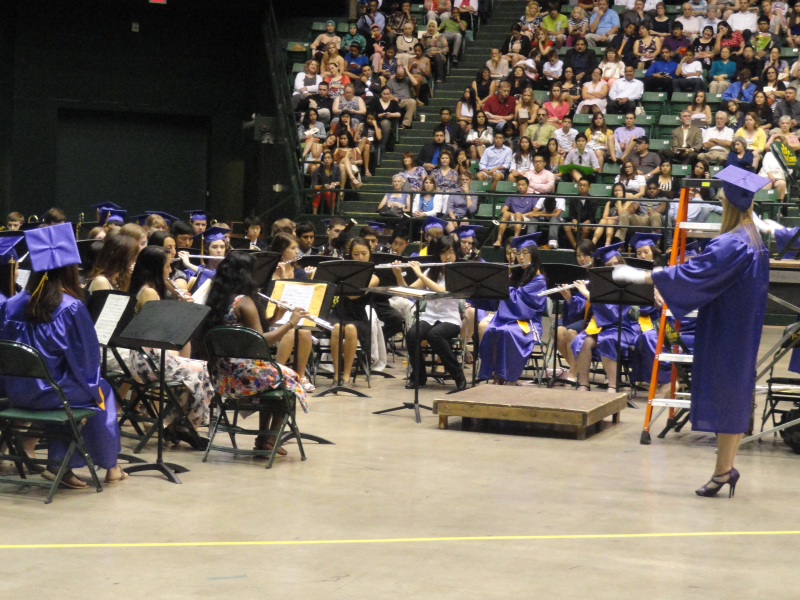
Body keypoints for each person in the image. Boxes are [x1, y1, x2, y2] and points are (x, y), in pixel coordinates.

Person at [613, 166, 769, 497]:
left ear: (726, 201)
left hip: (726, 331)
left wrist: (642, 276)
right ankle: (723, 470)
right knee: (734, 396)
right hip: (742, 329)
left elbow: (692, 273)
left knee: (726, 395)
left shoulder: (732, 243)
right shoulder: (753, 237)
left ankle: (724, 470)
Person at [203, 252, 309, 458]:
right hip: (244, 377)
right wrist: (290, 323)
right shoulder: (244, 302)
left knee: (275, 376)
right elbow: (261, 340)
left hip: (222, 375)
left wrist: (274, 317)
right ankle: (270, 438)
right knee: (291, 378)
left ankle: (263, 438)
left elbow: (244, 331)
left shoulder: (217, 299)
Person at [128, 246, 215, 447]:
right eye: (167, 266)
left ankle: (178, 424)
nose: (170, 271)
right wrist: (184, 310)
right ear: (156, 268)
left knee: (193, 372)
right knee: (200, 370)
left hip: (148, 356)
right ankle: (186, 425)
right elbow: (159, 333)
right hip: (149, 360)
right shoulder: (149, 292)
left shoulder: (145, 289)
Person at [391, 235, 467, 390]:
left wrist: (419, 274)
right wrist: (398, 274)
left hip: (451, 319)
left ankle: (458, 376)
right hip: (430, 316)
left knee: (434, 335)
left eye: (451, 252)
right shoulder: (431, 272)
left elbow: (444, 292)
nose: (448, 256)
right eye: (444, 252)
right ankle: (419, 377)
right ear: (438, 254)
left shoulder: (459, 273)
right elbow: (408, 291)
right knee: (412, 335)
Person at [571, 242, 641, 393]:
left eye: (616, 264)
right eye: (609, 265)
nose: (613, 268)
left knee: (607, 339)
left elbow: (615, 314)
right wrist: (569, 297)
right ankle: (584, 384)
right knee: (581, 340)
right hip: (601, 327)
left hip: (622, 327)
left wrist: (588, 294)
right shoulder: (600, 282)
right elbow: (581, 306)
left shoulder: (628, 283)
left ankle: (612, 386)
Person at [478, 233, 547, 385]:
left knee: (507, 332)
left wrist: (499, 285)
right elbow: (500, 298)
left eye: (524, 253)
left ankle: (510, 378)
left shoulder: (538, 279)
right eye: (518, 254)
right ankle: (497, 374)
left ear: (533, 255)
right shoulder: (514, 275)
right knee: (491, 330)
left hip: (527, 321)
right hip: (508, 319)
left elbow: (519, 301)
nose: (520, 257)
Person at [553, 239, 595, 383]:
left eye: (585, 255)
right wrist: (568, 296)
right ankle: (576, 369)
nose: (582, 259)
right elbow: (578, 304)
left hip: (592, 316)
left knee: (570, 331)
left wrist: (581, 293)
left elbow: (588, 303)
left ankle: (573, 373)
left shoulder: (595, 274)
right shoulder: (578, 273)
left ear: (593, 255)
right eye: (578, 255)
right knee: (556, 330)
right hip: (578, 314)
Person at [494, 176, 537, 245]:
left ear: (527, 185)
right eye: (519, 185)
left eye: (523, 185)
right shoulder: (512, 196)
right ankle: (499, 240)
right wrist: (514, 215)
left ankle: (515, 239)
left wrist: (520, 215)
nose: (520, 187)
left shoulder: (532, 196)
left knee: (518, 214)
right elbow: (503, 210)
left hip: (526, 219)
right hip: (514, 217)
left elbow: (535, 212)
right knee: (506, 214)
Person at [564, 178, 598, 248]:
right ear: (577, 186)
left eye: (584, 185)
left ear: (589, 187)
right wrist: (574, 221)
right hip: (575, 221)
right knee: (566, 226)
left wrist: (582, 224)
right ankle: (575, 246)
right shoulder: (573, 199)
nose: (582, 187)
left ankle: (579, 246)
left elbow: (591, 217)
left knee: (586, 228)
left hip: (587, 222)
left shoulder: (593, 200)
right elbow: (571, 214)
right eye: (580, 185)